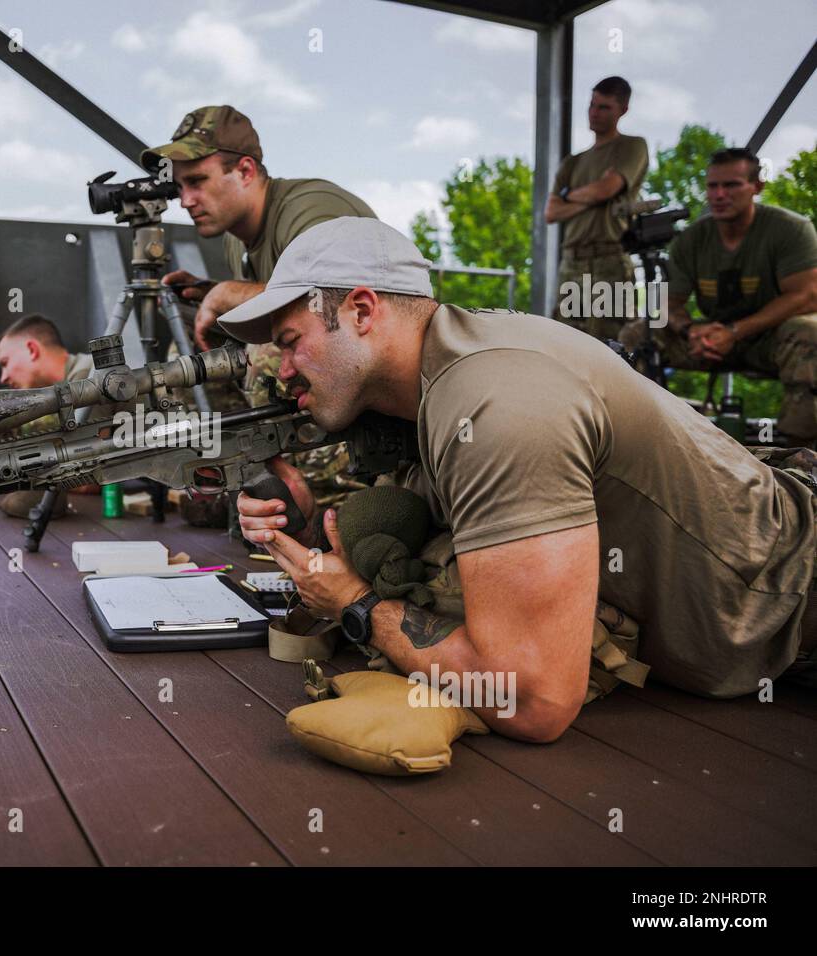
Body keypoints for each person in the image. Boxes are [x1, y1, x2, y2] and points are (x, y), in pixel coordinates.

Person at [220, 216, 817, 742]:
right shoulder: (441, 374)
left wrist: (356, 603)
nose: (286, 372)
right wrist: (311, 504)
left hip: (797, 593)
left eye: (292, 343)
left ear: (362, 311)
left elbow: (531, 698)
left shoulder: (492, 403)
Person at [142, 104, 376, 507]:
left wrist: (230, 294)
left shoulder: (312, 207)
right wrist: (212, 290)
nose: (186, 200)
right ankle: (237, 481)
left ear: (246, 171)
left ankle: (328, 497)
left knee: (269, 350)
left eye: (197, 181)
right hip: (321, 378)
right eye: (181, 187)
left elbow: (336, 304)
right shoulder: (238, 239)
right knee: (187, 355)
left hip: (371, 401)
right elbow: (275, 293)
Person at [623, 147, 817, 443]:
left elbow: (805, 297)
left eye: (731, 185)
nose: (719, 195)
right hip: (709, 340)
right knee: (639, 334)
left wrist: (734, 332)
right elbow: (667, 302)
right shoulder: (692, 239)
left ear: (757, 186)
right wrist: (691, 330)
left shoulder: (790, 230)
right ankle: (641, 441)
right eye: (713, 186)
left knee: (809, 333)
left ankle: (798, 456)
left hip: (770, 339)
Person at [546, 76, 649, 340]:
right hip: (572, 261)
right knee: (564, 342)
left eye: (604, 107)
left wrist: (571, 197)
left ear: (622, 110)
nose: (594, 112)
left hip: (610, 258)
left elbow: (608, 189)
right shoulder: (573, 162)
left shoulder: (631, 146)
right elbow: (551, 212)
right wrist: (593, 195)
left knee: (611, 343)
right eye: (592, 105)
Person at [0, 313, 96, 517]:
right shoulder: (66, 388)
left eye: (5, 363)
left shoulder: (86, 378)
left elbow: (86, 478)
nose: (3, 377)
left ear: (32, 350)